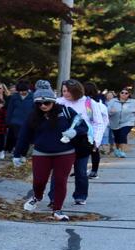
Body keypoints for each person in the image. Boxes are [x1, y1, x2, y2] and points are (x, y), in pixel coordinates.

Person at [11, 83, 85, 222]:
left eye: (47, 103)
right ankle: (37, 196)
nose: (43, 106)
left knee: (60, 181)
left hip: (65, 152)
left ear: (53, 102)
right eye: (39, 103)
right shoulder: (33, 116)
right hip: (41, 152)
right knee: (39, 181)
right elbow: (24, 136)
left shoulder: (66, 111)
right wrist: (17, 154)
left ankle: (57, 210)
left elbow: (83, 126)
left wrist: (74, 132)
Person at [57, 80, 104, 204]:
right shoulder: (59, 102)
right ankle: (54, 197)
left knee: (81, 171)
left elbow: (98, 123)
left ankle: (80, 196)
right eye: (64, 91)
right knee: (60, 172)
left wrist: (96, 141)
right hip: (63, 141)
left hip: (83, 141)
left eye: (69, 91)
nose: (66, 93)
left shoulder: (89, 103)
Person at [105, 86, 135, 157]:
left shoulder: (133, 102)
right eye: (122, 93)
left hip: (128, 122)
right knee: (117, 137)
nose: (124, 94)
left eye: (126, 93)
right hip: (114, 122)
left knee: (123, 134)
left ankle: (121, 151)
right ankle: (117, 149)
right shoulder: (113, 101)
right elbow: (107, 110)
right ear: (119, 94)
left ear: (129, 94)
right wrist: (111, 111)